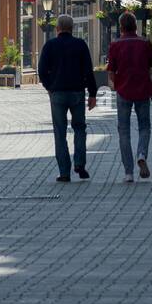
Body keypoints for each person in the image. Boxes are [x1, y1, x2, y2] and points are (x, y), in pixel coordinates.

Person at [37, 14, 97, 182]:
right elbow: (88, 71)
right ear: (72, 28)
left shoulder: (50, 45)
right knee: (79, 128)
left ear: (57, 29)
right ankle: (79, 163)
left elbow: (41, 70)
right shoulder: (80, 45)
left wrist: (50, 87)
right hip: (77, 92)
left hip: (58, 93)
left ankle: (64, 172)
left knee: (60, 132)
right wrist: (92, 94)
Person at [106, 11, 152, 182]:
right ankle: (141, 154)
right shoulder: (144, 43)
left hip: (123, 91)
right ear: (135, 25)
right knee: (144, 126)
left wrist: (114, 83)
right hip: (143, 90)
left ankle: (128, 172)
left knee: (124, 131)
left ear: (121, 26)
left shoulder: (116, 44)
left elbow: (110, 71)